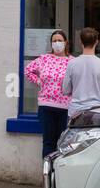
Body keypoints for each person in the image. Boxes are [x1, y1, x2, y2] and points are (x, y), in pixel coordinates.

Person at [24, 30, 72, 158]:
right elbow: (28, 70)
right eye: (54, 41)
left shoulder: (72, 61)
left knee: (62, 143)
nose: (57, 43)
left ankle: (58, 175)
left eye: (59, 40)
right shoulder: (44, 59)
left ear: (66, 42)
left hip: (65, 108)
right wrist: (39, 81)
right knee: (48, 142)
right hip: (46, 106)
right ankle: (47, 174)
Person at [61, 27, 100, 119]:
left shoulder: (72, 63)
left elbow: (65, 90)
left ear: (80, 42)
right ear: (96, 42)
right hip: (96, 111)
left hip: (75, 111)